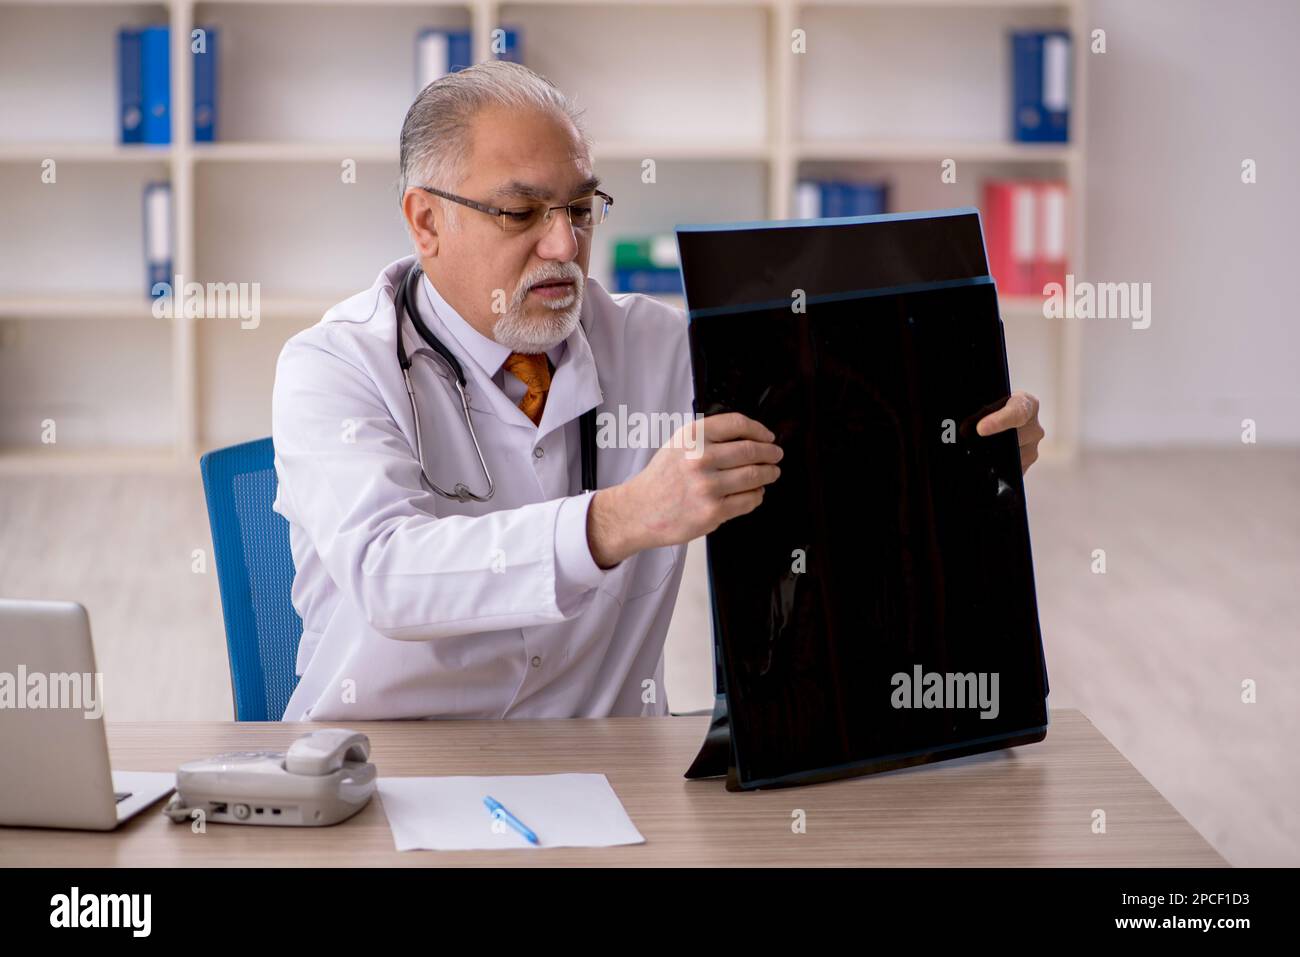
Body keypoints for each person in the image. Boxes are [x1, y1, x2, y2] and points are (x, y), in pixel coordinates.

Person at [271, 61, 1045, 722]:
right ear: (426, 221)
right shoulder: (334, 368)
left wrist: (959, 443)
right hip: (386, 772)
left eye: (579, 208)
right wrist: (620, 518)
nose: (564, 245)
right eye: (521, 211)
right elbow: (387, 573)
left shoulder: (657, 344)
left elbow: (829, 457)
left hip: (610, 779)